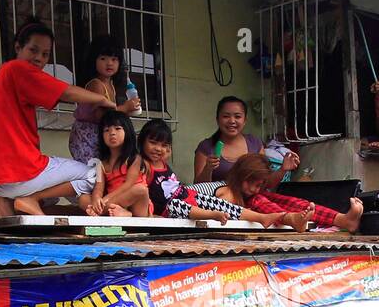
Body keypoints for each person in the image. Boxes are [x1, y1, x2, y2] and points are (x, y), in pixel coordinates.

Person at [0, 22, 132, 217]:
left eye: (45, 54)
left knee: (52, 194)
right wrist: (103, 100)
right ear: (18, 48)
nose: (39, 59)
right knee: (93, 174)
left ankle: (5, 205)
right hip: (19, 170)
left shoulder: (5, 74)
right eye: (33, 50)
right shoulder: (18, 69)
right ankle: (29, 200)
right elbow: (66, 92)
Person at [140, 120, 305, 228]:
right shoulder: (143, 165)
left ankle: (263, 218)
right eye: (153, 143)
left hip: (187, 195)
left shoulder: (163, 164)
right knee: (183, 206)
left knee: (226, 208)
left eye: (164, 146)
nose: (158, 149)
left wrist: (283, 169)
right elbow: (142, 191)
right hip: (171, 206)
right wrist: (149, 213)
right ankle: (224, 215)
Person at [216, 154, 363, 232]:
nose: (254, 189)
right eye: (250, 183)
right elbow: (222, 210)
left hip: (259, 207)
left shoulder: (253, 192)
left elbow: (266, 187)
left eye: (258, 185)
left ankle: (343, 220)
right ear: (240, 176)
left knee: (288, 201)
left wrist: (283, 170)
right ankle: (292, 219)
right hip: (248, 213)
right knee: (259, 199)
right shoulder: (228, 192)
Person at [69, 34, 141, 164]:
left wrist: (126, 111)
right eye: (103, 58)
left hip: (100, 133)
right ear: (93, 61)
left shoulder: (110, 84)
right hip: (87, 136)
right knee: (93, 171)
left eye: (114, 59)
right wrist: (124, 109)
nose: (109, 63)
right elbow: (101, 116)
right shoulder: (96, 85)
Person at [194, 96, 280, 183]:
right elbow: (197, 186)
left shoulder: (255, 143)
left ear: (245, 120)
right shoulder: (206, 147)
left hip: (252, 196)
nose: (232, 121)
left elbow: (266, 181)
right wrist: (208, 169)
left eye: (237, 116)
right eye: (226, 116)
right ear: (217, 119)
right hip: (218, 196)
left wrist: (284, 169)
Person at [89, 111, 152, 217]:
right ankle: (122, 213)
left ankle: (127, 214)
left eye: (118, 128)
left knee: (140, 189)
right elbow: (98, 187)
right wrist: (96, 199)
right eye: (106, 130)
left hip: (137, 205)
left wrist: (105, 200)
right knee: (83, 199)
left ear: (127, 131)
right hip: (114, 203)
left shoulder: (134, 158)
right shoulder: (101, 164)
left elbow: (129, 184)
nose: (112, 133)